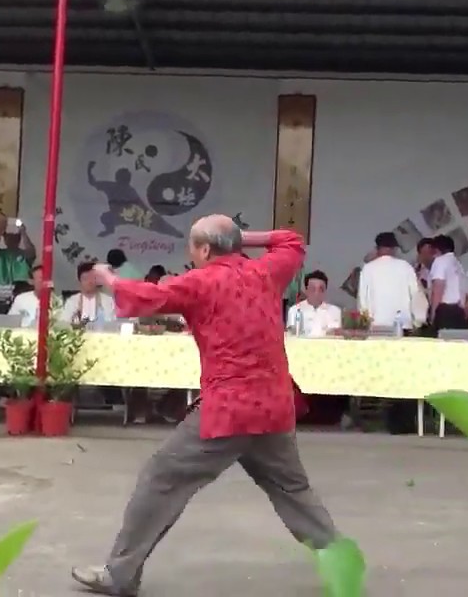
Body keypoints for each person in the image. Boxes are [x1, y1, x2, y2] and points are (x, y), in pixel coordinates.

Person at [71, 218, 338, 595]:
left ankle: (120, 574)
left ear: (206, 250)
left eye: (194, 246)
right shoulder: (265, 271)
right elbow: (291, 240)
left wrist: (107, 278)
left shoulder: (201, 281)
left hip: (229, 409)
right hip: (275, 406)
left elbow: (145, 297)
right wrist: (238, 237)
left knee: (161, 478)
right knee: (293, 490)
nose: (191, 254)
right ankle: (344, 564)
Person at [358, 231, 425, 330]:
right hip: (403, 324)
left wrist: (365, 323)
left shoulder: (368, 268)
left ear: (377, 248)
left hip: (376, 325)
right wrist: (418, 321)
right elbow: (416, 295)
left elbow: (362, 300)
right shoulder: (405, 267)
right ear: (394, 249)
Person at [428, 234, 468, 331]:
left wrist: (433, 314)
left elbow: (438, 289)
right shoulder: (459, 265)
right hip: (459, 311)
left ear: (437, 250)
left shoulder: (440, 261)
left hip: (444, 311)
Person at [285, 270, 342, 337]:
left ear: (325, 291)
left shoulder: (335, 311)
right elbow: (291, 335)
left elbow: (335, 336)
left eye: (321, 289)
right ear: (306, 290)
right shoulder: (295, 310)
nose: (316, 293)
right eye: (312, 289)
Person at [60, 262, 117, 326]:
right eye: (85, 279)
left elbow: (111, 324)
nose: (89, 282)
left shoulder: (107, 300)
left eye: (92, 278)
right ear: (79, 281)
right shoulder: (72, 301)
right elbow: (64, 323)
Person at [0, 217, 35, 289]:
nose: (11, 239)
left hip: (21, 292)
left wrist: (23, 232)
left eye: (15, 237)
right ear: (4, 239)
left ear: (19, 239)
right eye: (8, 236)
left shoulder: (24, 255)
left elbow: (31, 251)